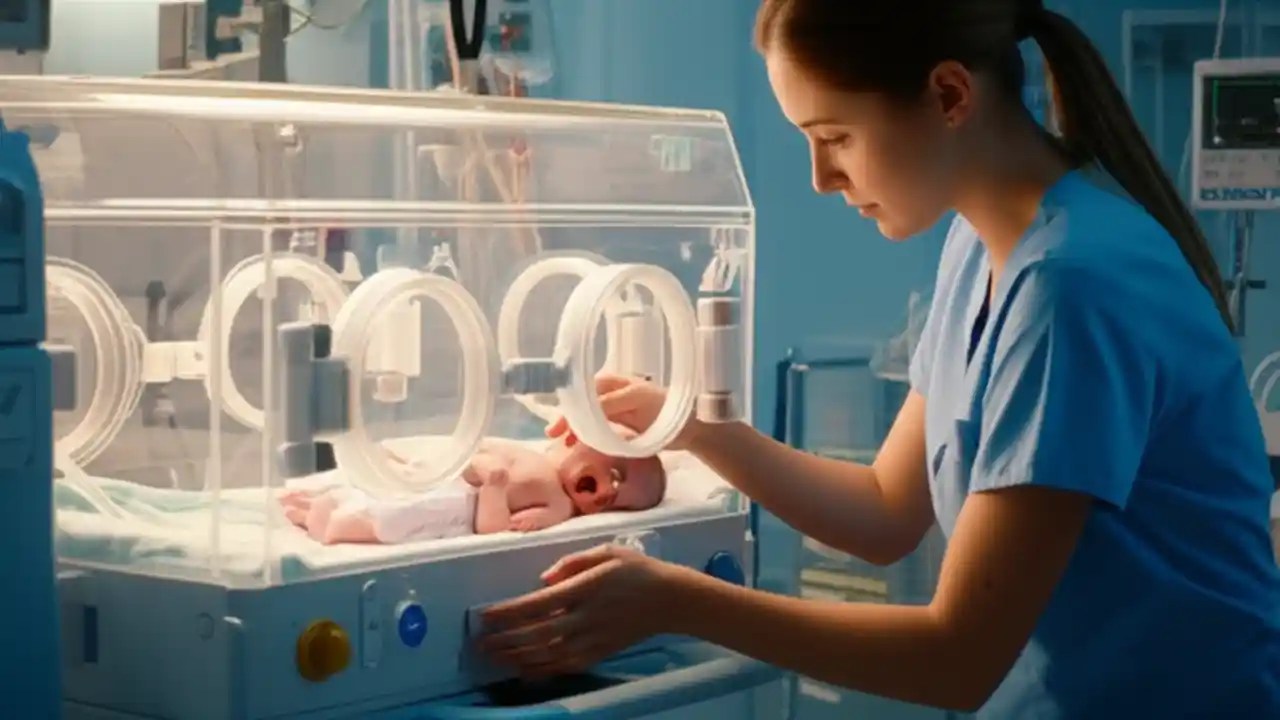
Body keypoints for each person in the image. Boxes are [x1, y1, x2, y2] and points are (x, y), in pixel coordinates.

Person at [474, 0, 1280, 716]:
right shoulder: (981, 246)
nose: (823, 178)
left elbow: (957, 658)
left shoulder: (1074, 286)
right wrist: (690, 426)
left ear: (950, 95)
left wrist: (679, 602)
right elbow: (887, 510)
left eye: (835, 137)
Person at [279, 428, 666, 542]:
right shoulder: (525, 450)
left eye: (617, 505)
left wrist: (495, 488)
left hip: (459, 506)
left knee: (393, 517)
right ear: (576, 438)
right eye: (615, 475)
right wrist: (474, 462)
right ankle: (326, 497)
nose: (606, 495)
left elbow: (494, 529)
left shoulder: (559, 506)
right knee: (385, 480)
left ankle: (324, 522)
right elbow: (469, 444)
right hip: (444, 472)